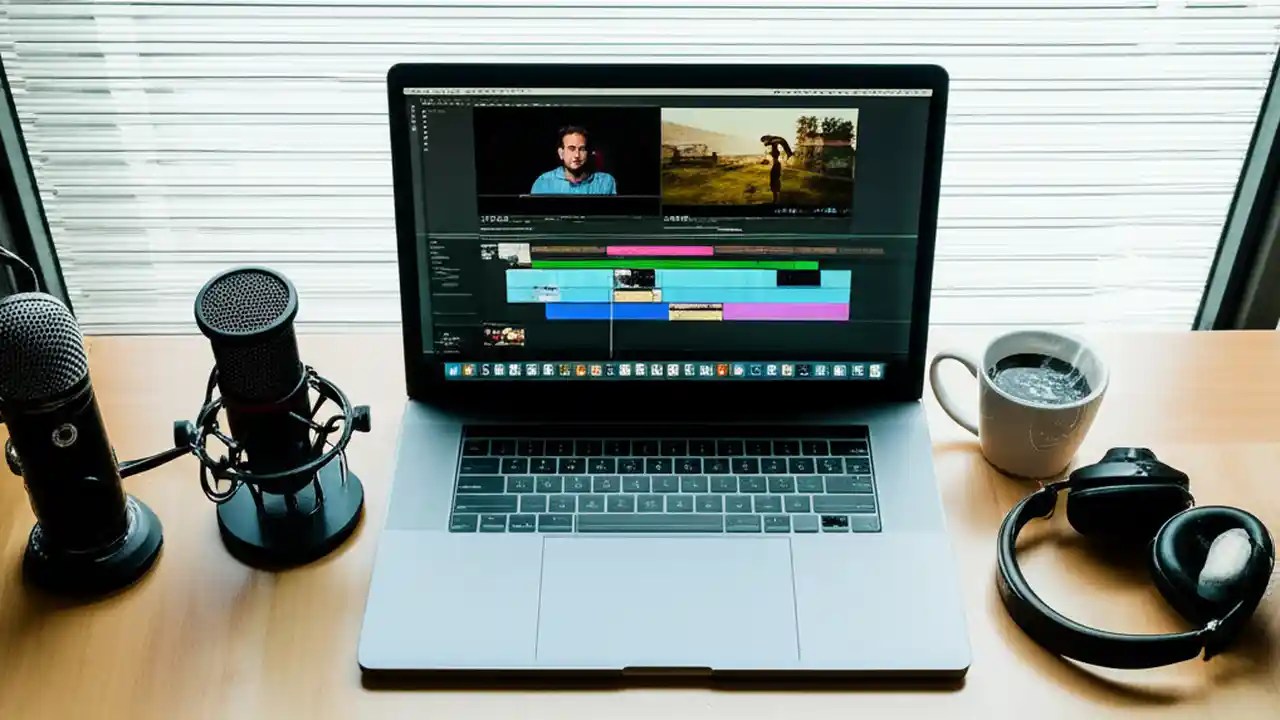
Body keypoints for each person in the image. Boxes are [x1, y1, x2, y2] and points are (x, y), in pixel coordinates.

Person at [530, 126, 617, 195]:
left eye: (582, 149)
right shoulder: (544, 183)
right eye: (571, 149)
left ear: (588, 153)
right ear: (561, 153)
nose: (577, 155)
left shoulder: (605, 182)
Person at [760, 134, 793, 203]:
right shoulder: (774, 144)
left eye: (763, 140)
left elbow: (766, 144)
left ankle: (776, 199)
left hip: (776, 165)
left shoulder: (774, 142)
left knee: (774, 181)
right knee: (775, 181)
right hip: (776, 165)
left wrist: (768, 143)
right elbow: (768, 144)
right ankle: (776, 198)